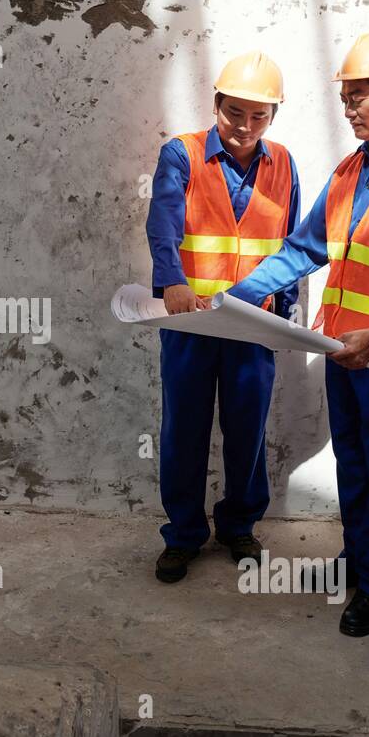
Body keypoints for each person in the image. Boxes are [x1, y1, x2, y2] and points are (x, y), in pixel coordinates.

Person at [227, 32, 369, 636]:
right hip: (340, 350)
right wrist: (235, 298)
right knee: (354, 465)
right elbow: (304, 249)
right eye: (346, 99)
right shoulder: (349, 171)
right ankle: (356, 563)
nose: (351, 108)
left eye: (361, 97)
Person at [145, 51, 301, 584]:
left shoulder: (283, 164)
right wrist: (171, 281)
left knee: (247, 429)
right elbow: (162, 221)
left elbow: (292, 245)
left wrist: (286, 314)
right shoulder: (182, 154)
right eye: (235, 112)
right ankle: (183, 534)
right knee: (184, 429)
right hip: (190, 323)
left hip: (251, 327)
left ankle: (239, 525)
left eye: (260, 116)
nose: (245, 127)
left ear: (274, 116)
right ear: (216, 105)